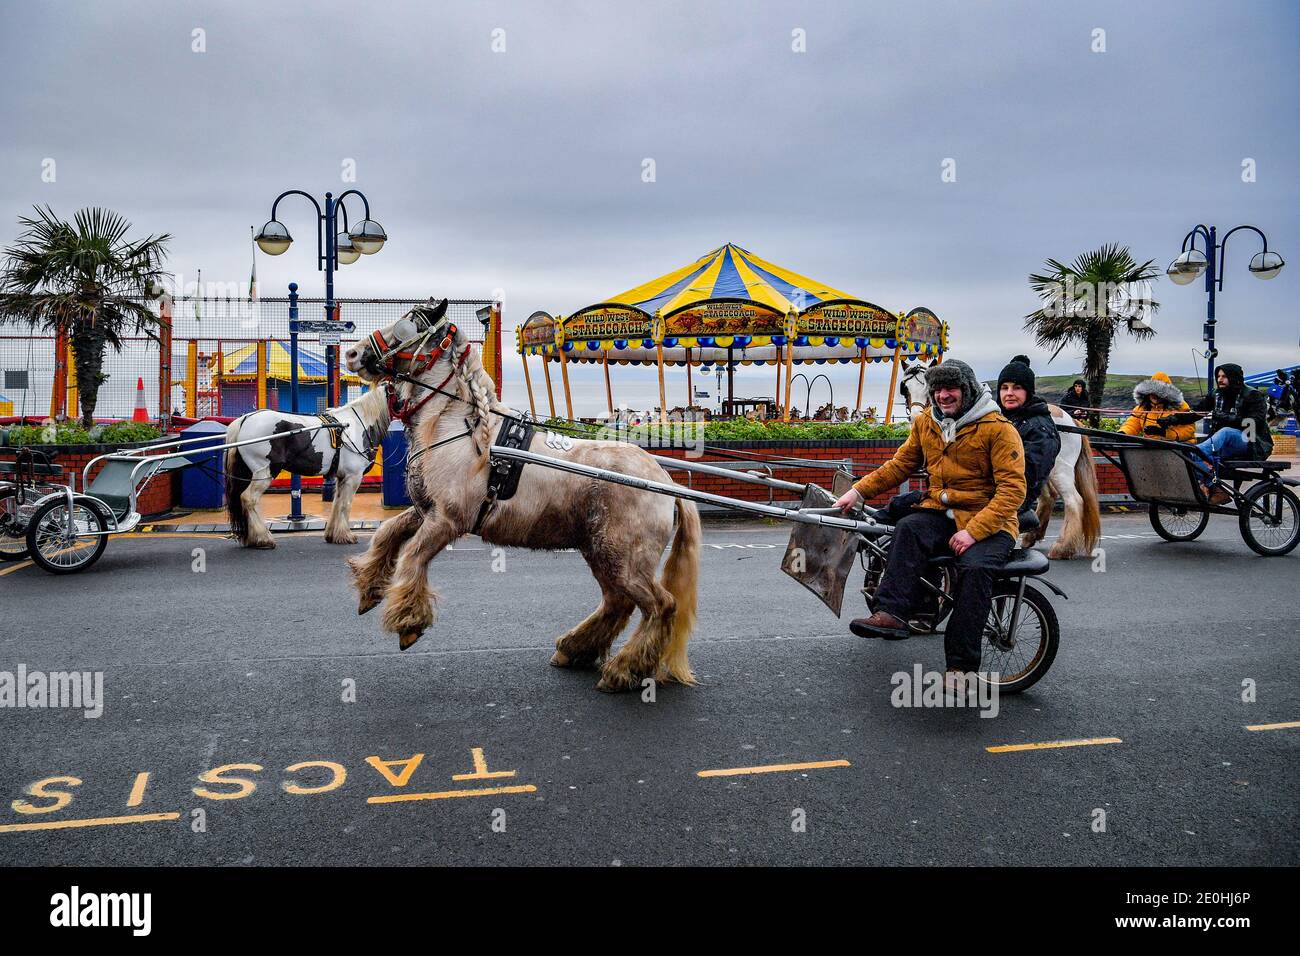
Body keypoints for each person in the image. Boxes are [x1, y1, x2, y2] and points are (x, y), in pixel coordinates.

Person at [833, 359, 1025, 690]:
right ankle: (892, 614)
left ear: (966, 390)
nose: (943, 396)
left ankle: (961, 668)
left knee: (975, 570)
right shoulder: (928, 423)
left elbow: (1013, 491)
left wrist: (974, 531)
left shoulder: (998, 429)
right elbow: (899, 465)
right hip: (944, 510)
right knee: (909, 528)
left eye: (950, 389)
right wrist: (856, 491)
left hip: (990, 520)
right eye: (937, 390)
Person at [1165, 363, 1273, 504]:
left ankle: (1194, 452)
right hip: (1226, 444)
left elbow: (1254, 423)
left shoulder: (1252, 394)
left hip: (1252, 442)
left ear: (1234, 378)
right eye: (1218, 376)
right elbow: (1196, 413)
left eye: (1224, 376)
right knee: (1203, 455)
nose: (1220, 379)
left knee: (1224, 433)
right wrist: (1171, 419)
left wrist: (1226, 418)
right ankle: (1216, 489)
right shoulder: (1216, 395)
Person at [995, 356, 1061, 513]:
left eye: (1017, 388)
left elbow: (1027, 478)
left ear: (1028, 392)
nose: (1009, 393)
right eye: (1004, 388)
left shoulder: (1039, 428)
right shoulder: (1000, 419)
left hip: (1008, 503)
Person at [1118, 371, 1196, 443]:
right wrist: (1123, 433)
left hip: (1180, 447)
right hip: (1152, 448)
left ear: (1166, 395)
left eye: (1159, 393)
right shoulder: (1141, 408)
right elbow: (1132, 424)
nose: (1155, 395)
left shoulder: (1180, 406)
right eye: (1152, 392)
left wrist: (1164, 433)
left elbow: (1189, 430)